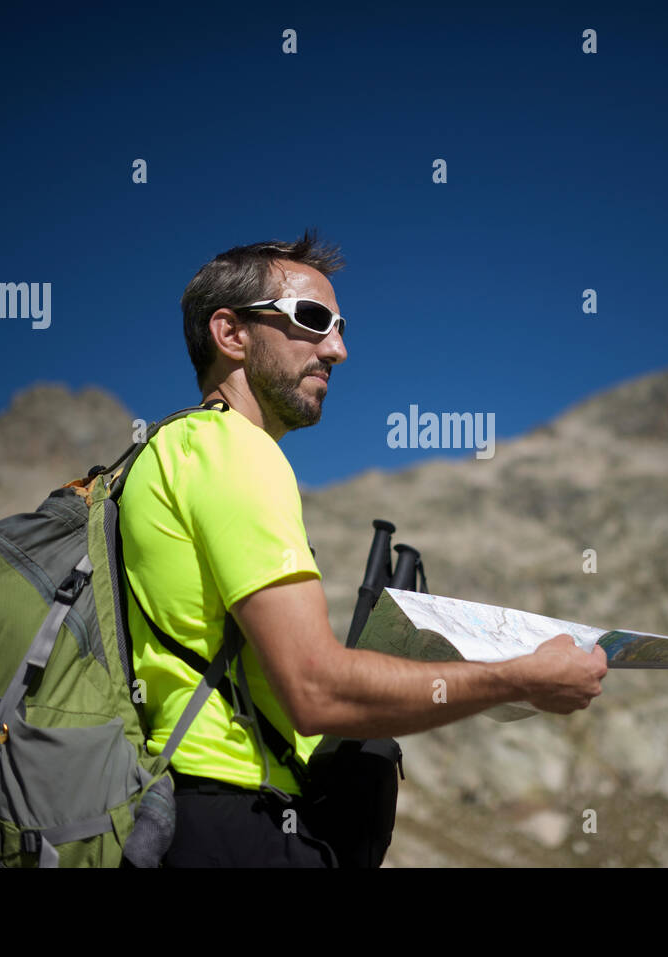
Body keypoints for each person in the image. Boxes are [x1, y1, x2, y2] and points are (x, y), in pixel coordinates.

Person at [118, 229, 608, 867]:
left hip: (177, 817)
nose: (338, 349)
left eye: (341, 326)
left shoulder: (169, 451)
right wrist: (522, 678)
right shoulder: (236, 451)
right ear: (231, 334)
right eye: (313, 320)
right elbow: (314, 688)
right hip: (238, 822)